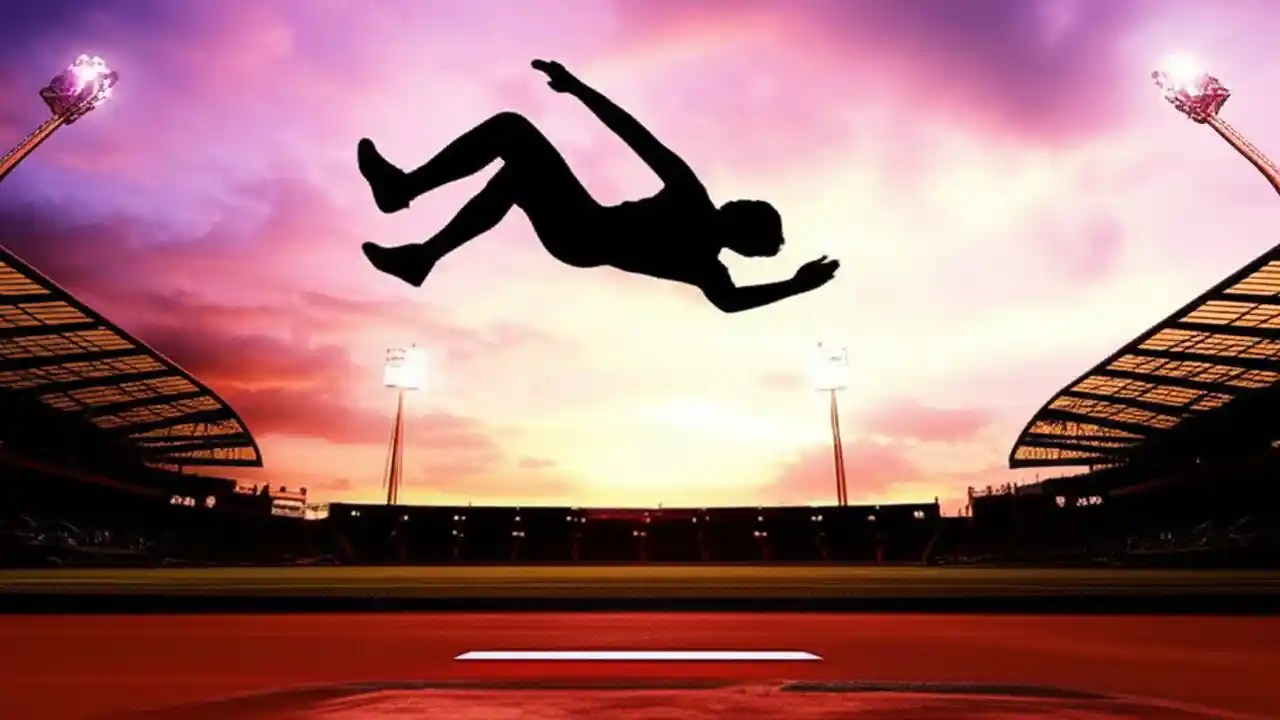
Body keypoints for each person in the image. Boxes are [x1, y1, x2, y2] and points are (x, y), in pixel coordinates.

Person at [357, 60, 839, 313]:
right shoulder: (708, 269)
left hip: (585, 227)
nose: (741, 198)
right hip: (579, 240)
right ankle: (423, 255)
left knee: (510, 129)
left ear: (740, 223)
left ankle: (403, 194)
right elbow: (733, 303)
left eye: (749, 206)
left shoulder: (695, 208)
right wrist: (795, 286)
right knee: (515, 177)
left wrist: (577, 88)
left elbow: (630, 131)